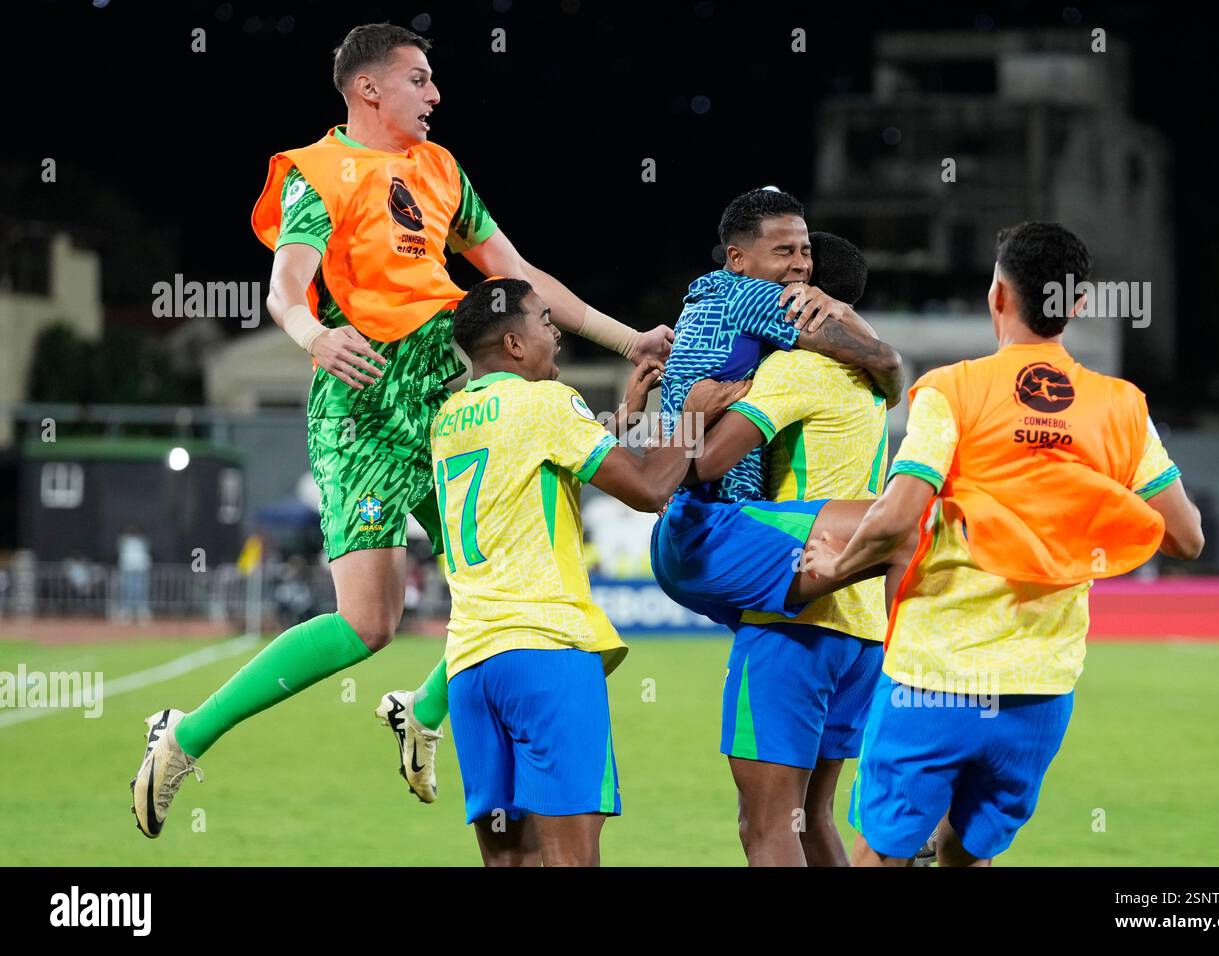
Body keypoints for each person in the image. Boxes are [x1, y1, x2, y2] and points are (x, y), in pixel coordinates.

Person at [130, 23, 673, 838]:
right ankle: (184, 735)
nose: (436, 94)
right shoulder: (319, 174)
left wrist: (627, 339)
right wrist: (313, 337)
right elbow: (286, 288)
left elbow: (516, 276)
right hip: (365, 411)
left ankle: (420, 712)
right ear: (369, 89)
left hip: (452, 404)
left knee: (507, 591)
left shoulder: (440, 168)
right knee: (369, 624)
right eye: (420, 80)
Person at [802, 222, 1204, 866]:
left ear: (997, 295)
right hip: (1041, 691)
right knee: (968, 856)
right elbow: (1186, 536)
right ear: (1075, 305)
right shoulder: (1121, 407)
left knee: (882, 855)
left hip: (931, 683)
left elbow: (897, 515)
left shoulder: (952, 391)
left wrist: (833, 566)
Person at [432, 278, 746, 866]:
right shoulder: (549, 403)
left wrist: (626, 415)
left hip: (470, 665)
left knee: (509, 860)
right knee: (573, 858)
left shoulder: (450, 418)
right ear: (515, 343)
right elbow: (651, 489)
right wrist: (694, 419)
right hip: (547, 654)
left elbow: (540, 461)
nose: (557, 334)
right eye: (545, 322)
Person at [681, 232, 892, 865]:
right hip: (862, 627)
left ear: (805, 297)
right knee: (812, 818)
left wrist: (685, 413)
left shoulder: (794, 368)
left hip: (794, 611)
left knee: (765, 827)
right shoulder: (872, 380)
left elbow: (709, 463)